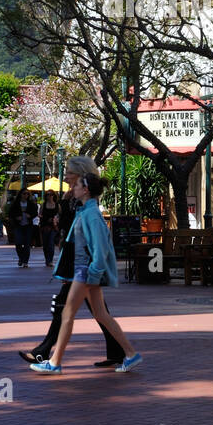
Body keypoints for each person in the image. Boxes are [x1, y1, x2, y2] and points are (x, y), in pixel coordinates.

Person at [29, 156, 141, 374]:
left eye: (77, 183)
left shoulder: (91, 214)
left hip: (85, 271)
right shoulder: (84, 211)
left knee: (68, 314)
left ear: (85, 188)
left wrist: (93, 273)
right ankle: (130, 354)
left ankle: (54, 362)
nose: (72, 185)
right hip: (85, 271)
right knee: (100, 315)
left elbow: (101, 248)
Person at [19, 186, 126, 368]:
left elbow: (82, 235)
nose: (67, 179)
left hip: (81, 266)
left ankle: (44, 354)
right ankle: (122, 352)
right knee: (99, 312)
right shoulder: (77, 203)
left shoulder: (84, 206)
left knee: (65, 310)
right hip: (78, 264)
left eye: (70, 176)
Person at [10, 191, 37, 267]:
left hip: (28, 226)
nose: (26, 195)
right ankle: (21, 258)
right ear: (20, 194)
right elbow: (11, 213)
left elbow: (35, 213)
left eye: (27, 194)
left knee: (27, 244)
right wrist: (16, 217)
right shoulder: (15, 203)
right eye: (24, 193)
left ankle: (25, 262)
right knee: (18, 243)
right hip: (18, 225)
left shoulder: (31, 204)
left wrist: (30, 215)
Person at [39, 191, 60, 266]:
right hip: (45, 226)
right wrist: (44, 218)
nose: (49, 196)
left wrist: (56, 219)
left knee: (51, 243)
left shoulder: (57, 205)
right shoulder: (43, 205)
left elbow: (60, 215)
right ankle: (47, 259)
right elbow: (40, 215)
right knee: (45, 244)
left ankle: (50, 260)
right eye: (48, 195)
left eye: (51, 195)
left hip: (53, 227)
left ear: (54, 196)